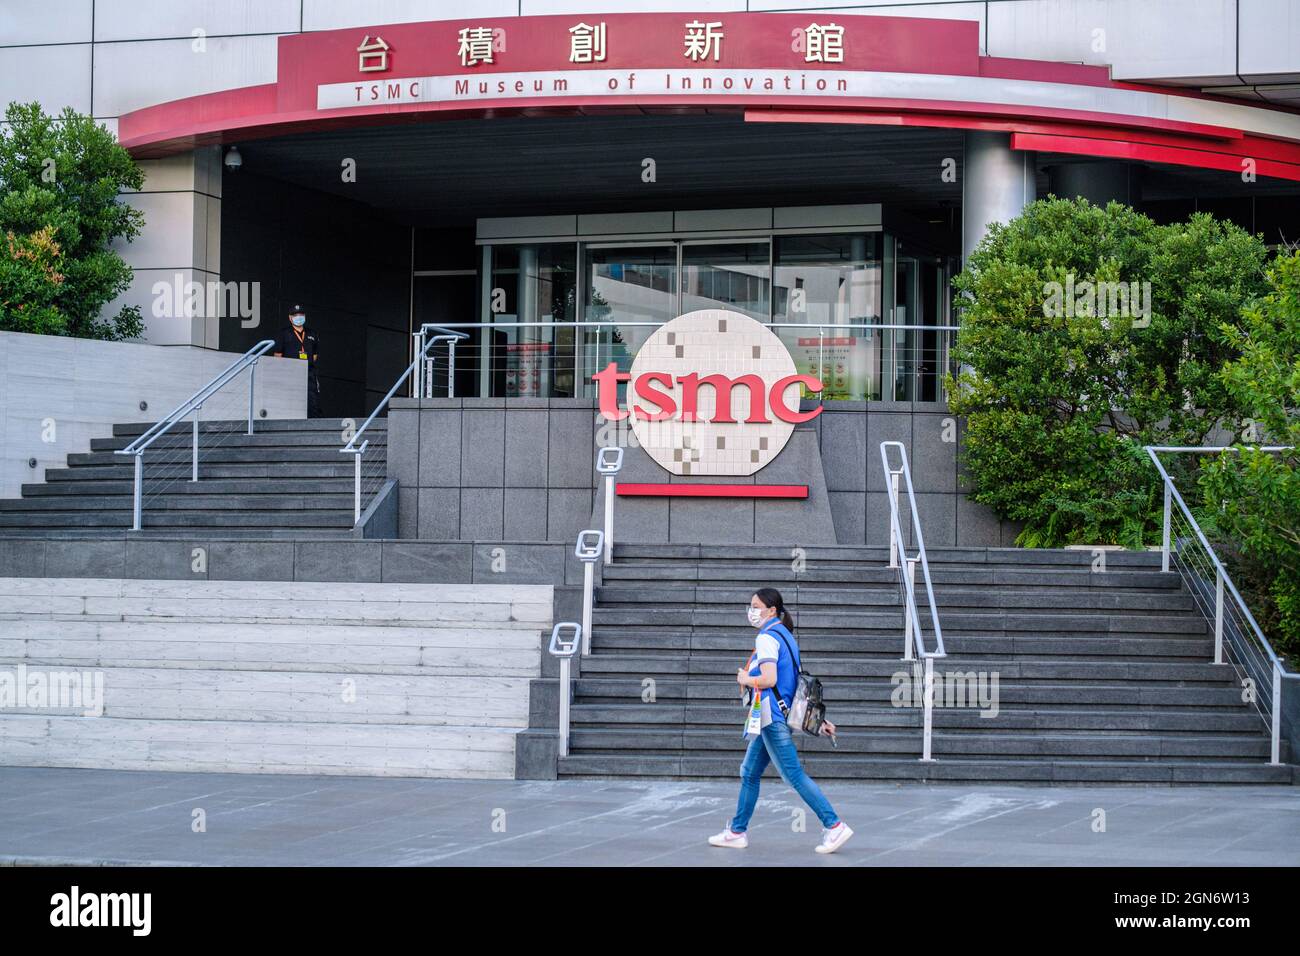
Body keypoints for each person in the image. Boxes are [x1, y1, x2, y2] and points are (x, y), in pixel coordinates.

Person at [709, 587, 853, 854]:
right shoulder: (786, 636)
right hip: (772, 717)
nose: (751, 611)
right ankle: (737, 832)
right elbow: (796, 686)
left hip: (771, 718)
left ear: (771, 610)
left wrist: (745, 679)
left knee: (793, 775)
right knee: (749, 772)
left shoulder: (767, 638)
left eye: (755, 606)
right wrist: (819, 720)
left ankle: (834, 826)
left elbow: (770, 680)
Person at [272, 304, 321, 417]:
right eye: (295, 315)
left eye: (301, 315)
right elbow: (277, 355)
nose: (298, 317)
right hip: (290, 373)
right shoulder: (284, 333)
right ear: (290, 318)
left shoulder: (312, 333)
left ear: (305, 316)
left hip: (308, 373)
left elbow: (314, 355)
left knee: (312, 402)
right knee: (291, 401)